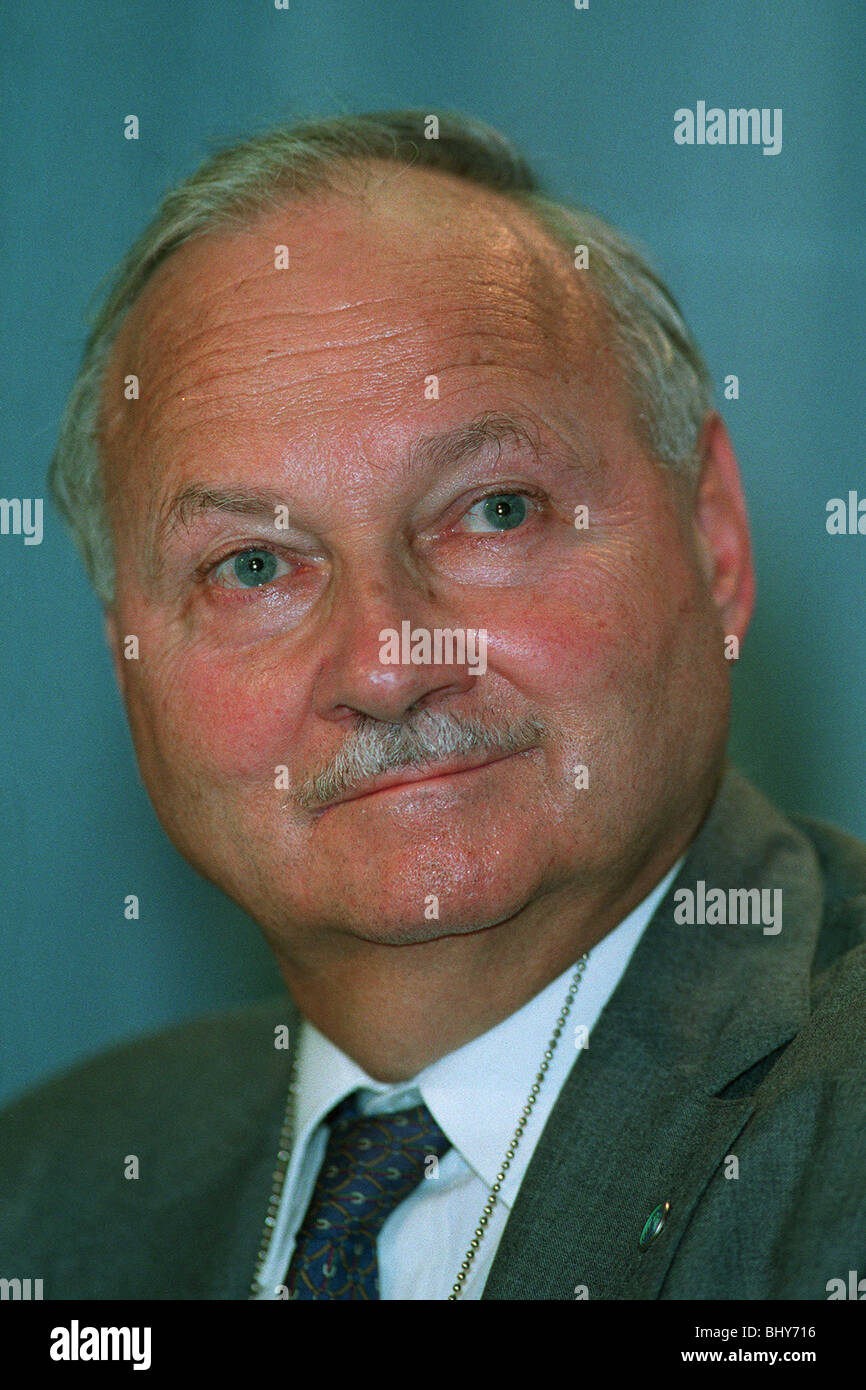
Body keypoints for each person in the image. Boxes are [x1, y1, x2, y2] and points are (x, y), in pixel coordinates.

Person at [1, 110, 863, 1301]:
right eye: (251, 566)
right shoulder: (43, 1196)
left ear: (712, 538)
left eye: (493, 511)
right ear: (126, 659)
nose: (386, 662)